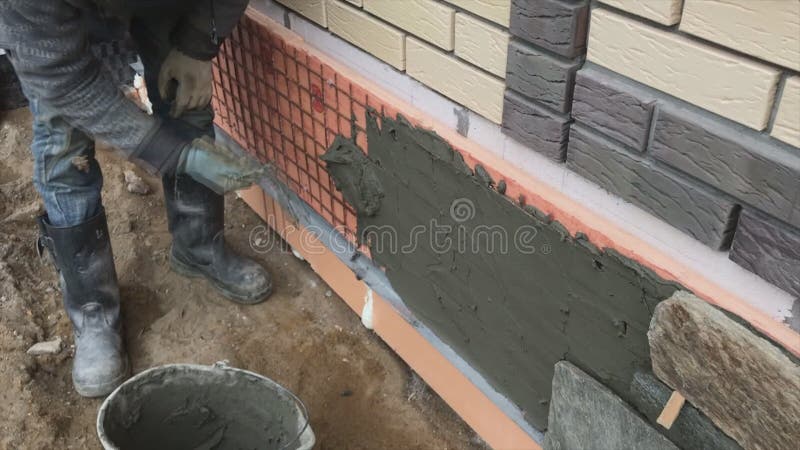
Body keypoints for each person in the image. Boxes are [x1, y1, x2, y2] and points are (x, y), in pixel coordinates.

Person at [0, 0, 273, 397]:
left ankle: (198, 246)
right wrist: (177, 154)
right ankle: (93, 309)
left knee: (186, 101)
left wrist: (197, 45)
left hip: (164, 7)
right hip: (54, 29)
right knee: (64, 147)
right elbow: (64, 82)